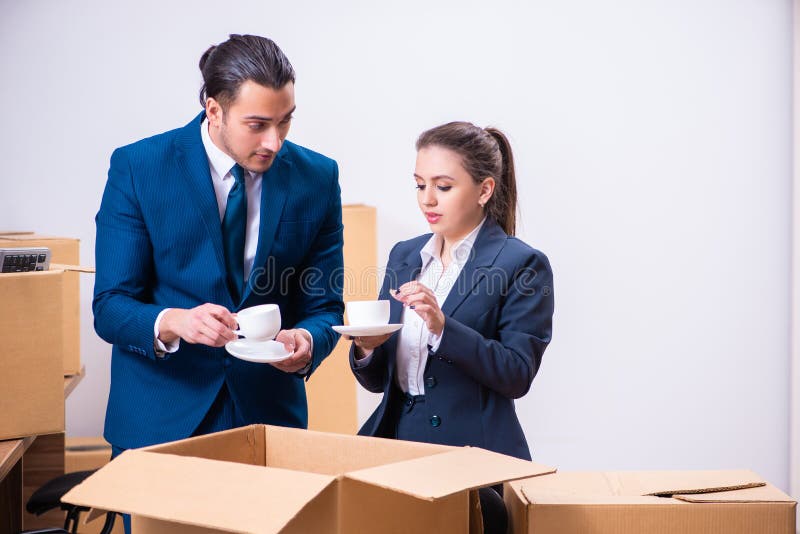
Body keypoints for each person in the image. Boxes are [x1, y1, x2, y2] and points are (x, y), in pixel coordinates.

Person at [94, 34, 344, 457]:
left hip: (269, 422)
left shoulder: (317, 177)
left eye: (285, 121)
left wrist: (306, 341)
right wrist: (174, 322)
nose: (274, 142)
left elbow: (325, 305)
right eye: (257, 124)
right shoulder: (139, 167)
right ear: (214, 109)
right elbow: (111, 306)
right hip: (158, 422)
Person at [349, 121, 554, 533]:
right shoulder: (405, 255)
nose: (428, 199)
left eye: (443, 186)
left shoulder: (522, 264)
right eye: (419, 184)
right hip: (396, 450)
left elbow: (517, 373)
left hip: (474, 458)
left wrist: (444, 327)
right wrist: (368, 348)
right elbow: (379, 382)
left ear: (484, 190)